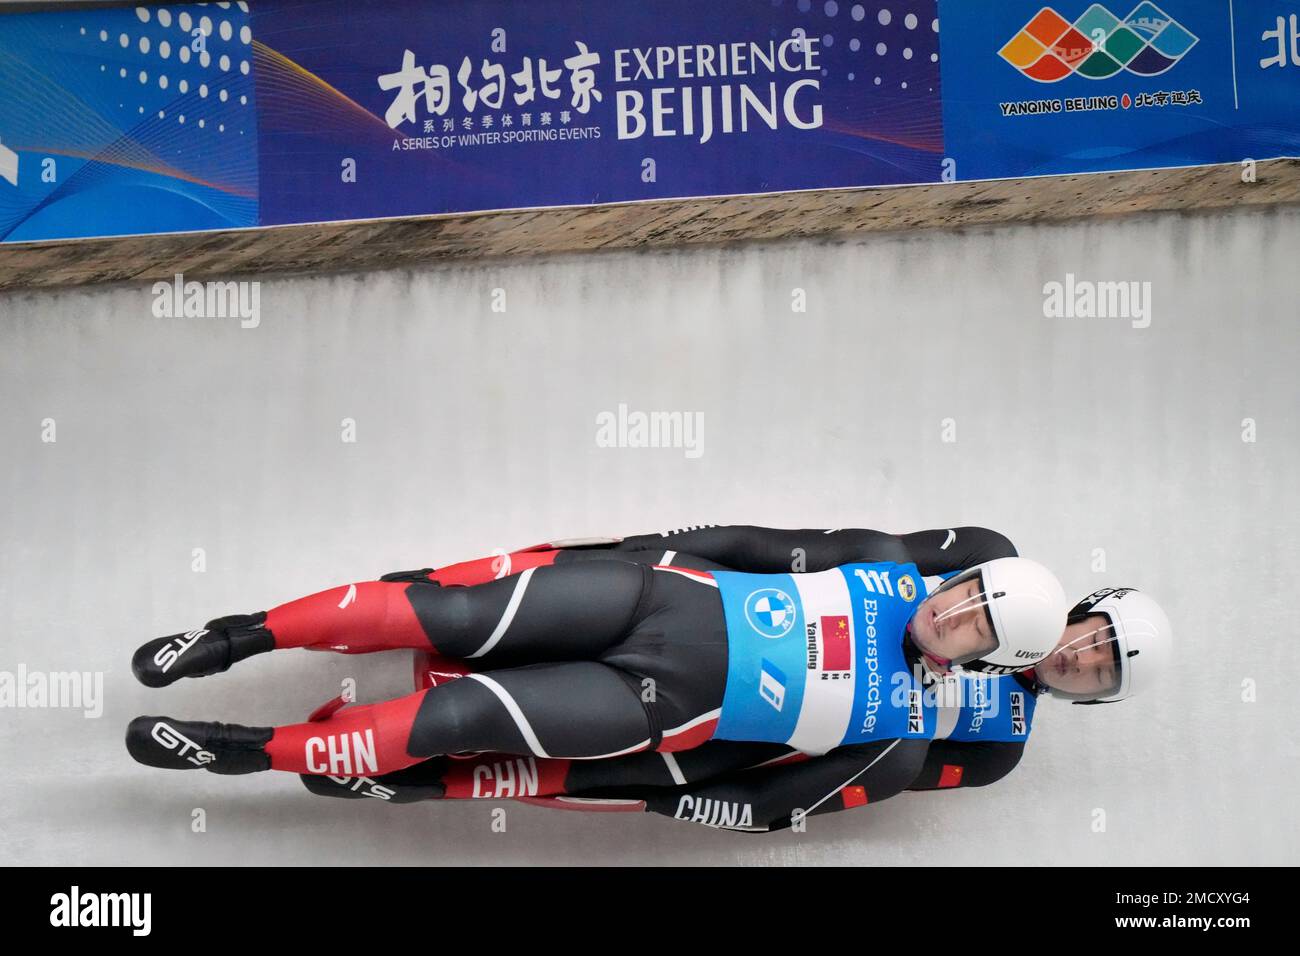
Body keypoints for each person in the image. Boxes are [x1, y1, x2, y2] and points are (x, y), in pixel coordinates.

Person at [125, 527, 1068, 829]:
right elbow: (761, 539)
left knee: (454, 716)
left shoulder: (896, 736)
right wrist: (651, 546)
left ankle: (247, 751)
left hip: (651, 711)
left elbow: (768, 804)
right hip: (651, 601)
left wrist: (666, 800)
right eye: (969, 592)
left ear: (986, 660)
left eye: (976, 623)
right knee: (449, 614)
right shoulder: (882, 562)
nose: (953, 611)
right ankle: (236, 635)